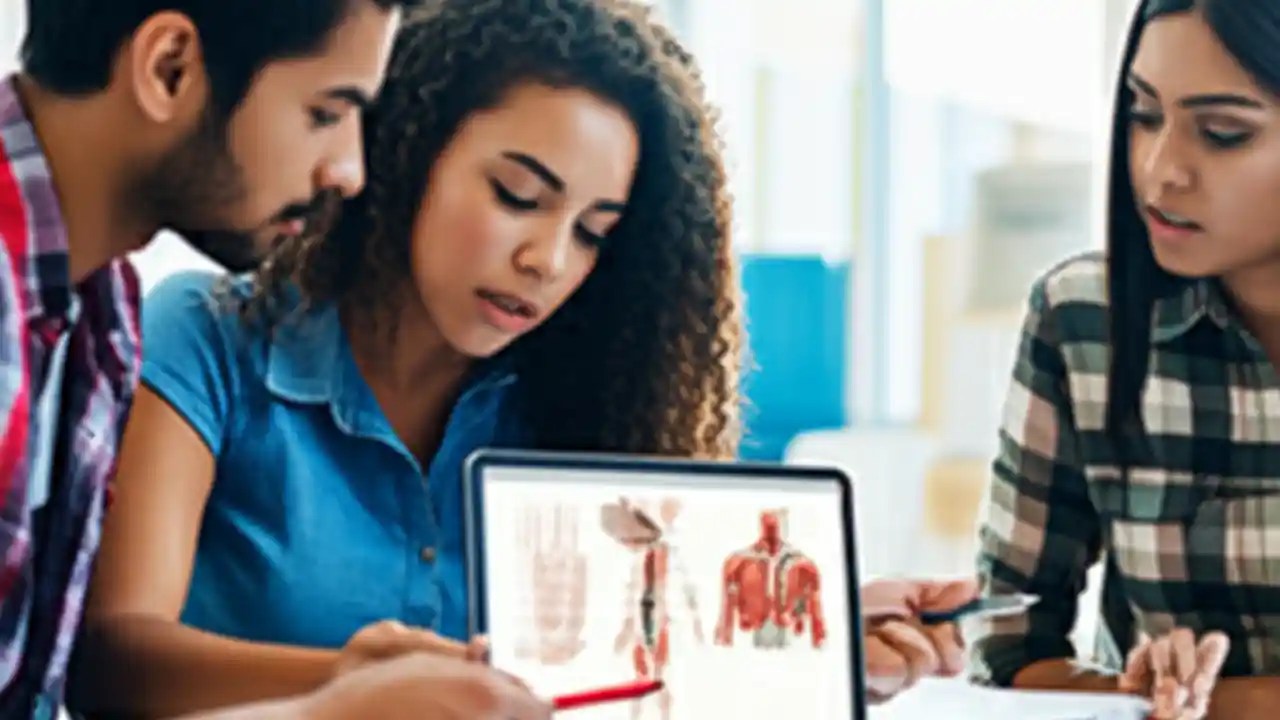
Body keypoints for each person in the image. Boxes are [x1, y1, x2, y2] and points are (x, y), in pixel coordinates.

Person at [66, 0, 975, 716]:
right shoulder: (209, 337)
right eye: (517, 196)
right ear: (405, 153)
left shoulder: (585, 406)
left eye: (591, 234)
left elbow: (642, 674)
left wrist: (816, 640)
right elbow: (110, 658)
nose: (548, 261)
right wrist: (345, 685)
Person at [1, 1, 552, 718]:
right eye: (325, 112)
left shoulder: (97, 308)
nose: (350, 170)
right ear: (168, 68)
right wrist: (326, 713)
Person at [971, 1, 1280, 718]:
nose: (1160, 170)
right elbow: (1007, 649)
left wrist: (1214, 702)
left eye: (1222, 133)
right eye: (1143, 115)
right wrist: (1141, 692)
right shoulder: (1082, 320)